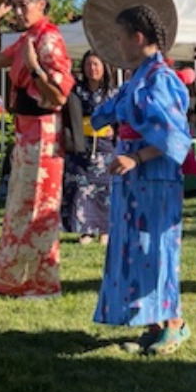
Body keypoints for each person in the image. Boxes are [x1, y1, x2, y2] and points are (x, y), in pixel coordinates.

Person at [89, 4, 192, 355]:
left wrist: (135, 156)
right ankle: (154, 324)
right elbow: (101, 116)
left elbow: (175, 137)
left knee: (157, 249)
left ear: (137, 37)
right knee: (138, 250)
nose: (117, 45)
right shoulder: (138, 77)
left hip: (155, 178)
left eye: (120, 38)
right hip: (134, 179)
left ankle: (174, 324)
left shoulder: (161, 78)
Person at [0, 0, 75, 298]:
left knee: (39, 209)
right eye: (15, 5)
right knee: (21, 207)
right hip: (26, 134)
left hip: (45, 133)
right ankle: (16, 279)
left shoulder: (48, 39)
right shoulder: (28, 37)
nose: (20, 11)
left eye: (25, 4)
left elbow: (60, 94)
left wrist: (35, 68)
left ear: (42, 3)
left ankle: (43, 282)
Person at [60, 50, 116, 245]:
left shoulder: (112, 92)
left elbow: (121, 117)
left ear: (104, 67)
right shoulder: (76, 91)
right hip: (81, 141)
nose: (92, 69)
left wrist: (115, 131)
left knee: (105, 188)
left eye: (96, 64)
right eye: (88, 65)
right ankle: (85, 230)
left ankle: (105, 229)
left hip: (104, 145)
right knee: (81, 187)